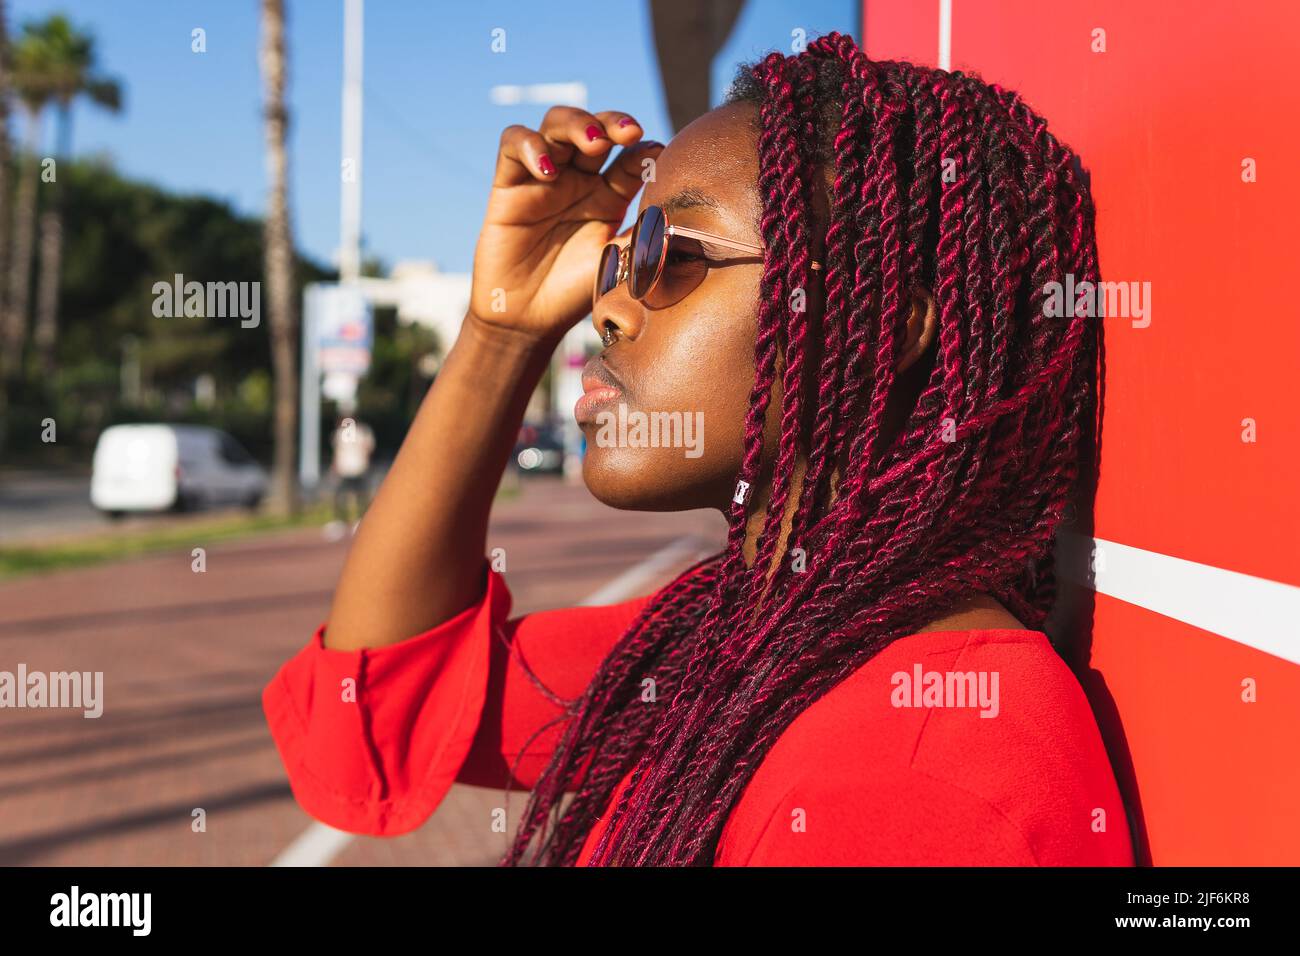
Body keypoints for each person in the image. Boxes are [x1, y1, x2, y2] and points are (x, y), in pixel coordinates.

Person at [262, 33, 1134, 866]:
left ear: (885, 320)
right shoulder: (741, 634)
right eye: (615, 259)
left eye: (669, 252)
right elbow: (379, 706)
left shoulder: (930, 777)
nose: (607, 307)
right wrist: (500, 331)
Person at [329, 411, 374, 526]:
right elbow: (338, 451)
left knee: (361, 495)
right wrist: (335, 466)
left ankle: (361, 519)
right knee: (339, 495)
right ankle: (340, 520)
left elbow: (368, 448)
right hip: (345, 468)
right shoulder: (339, 434)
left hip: (359, 467)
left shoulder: (362, 432)